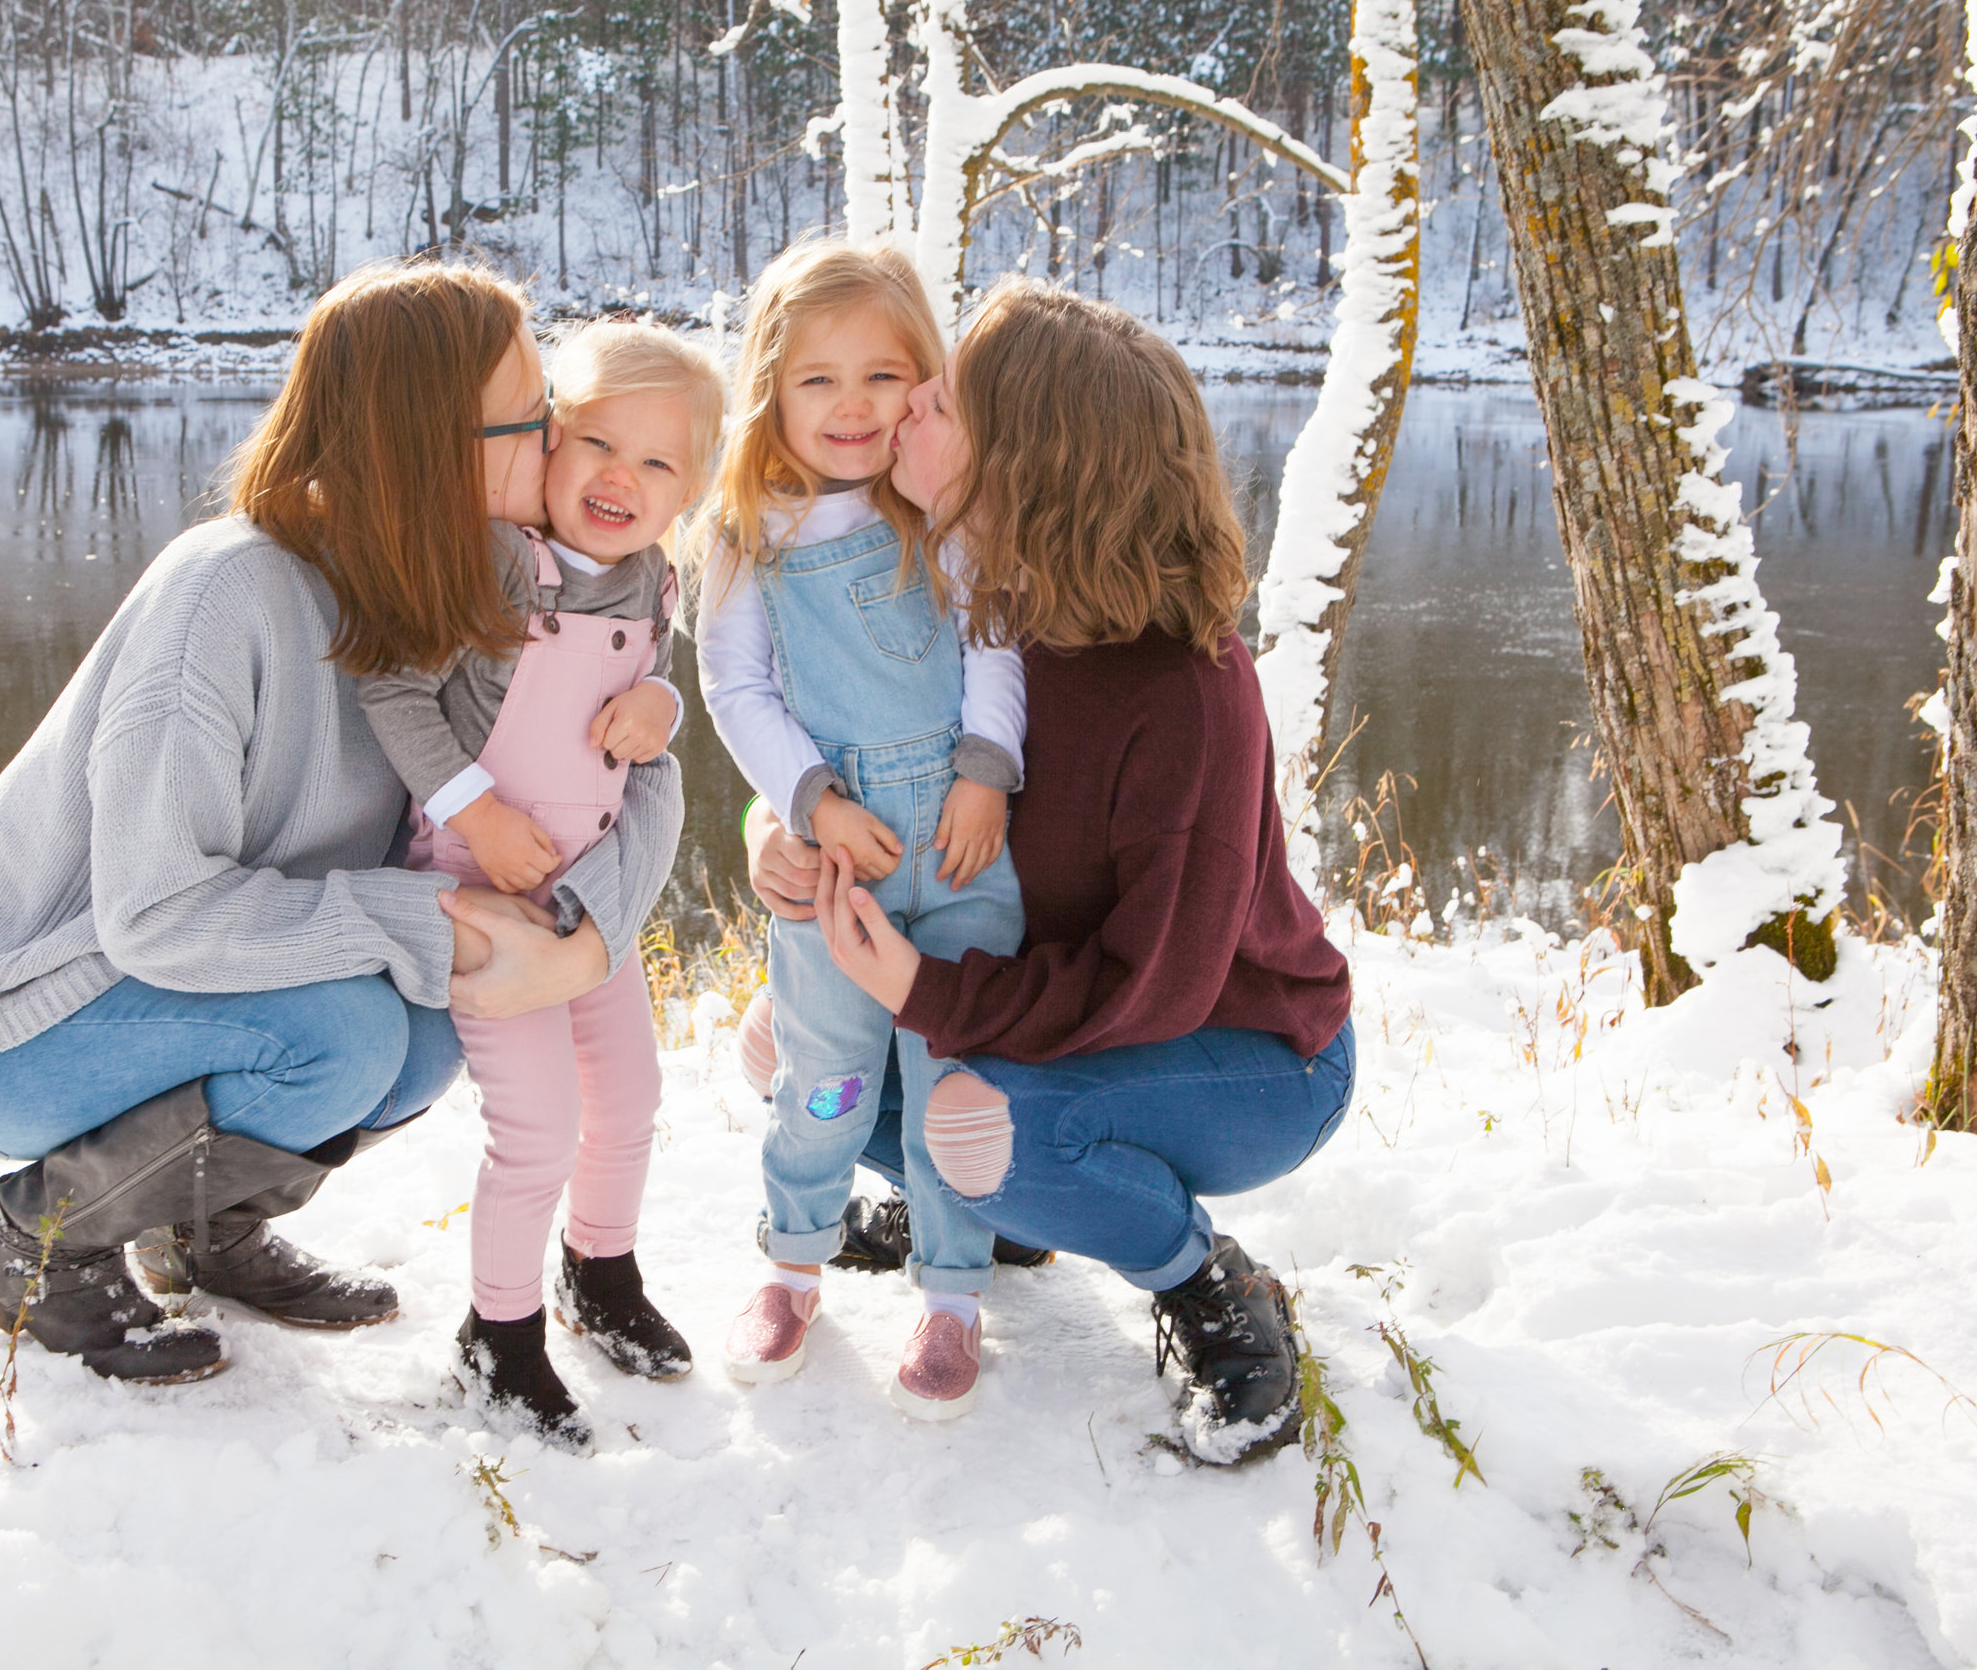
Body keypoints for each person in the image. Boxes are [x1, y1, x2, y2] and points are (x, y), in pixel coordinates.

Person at [0, 261, 680, 1386]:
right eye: (535, 416)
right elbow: (157, 913)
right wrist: (435, 915)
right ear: (434, 445)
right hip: (20, 1016)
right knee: (351, 1034)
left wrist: (589, 934)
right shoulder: (226, 599)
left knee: (426, 1028)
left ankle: (204, 1227)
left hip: (202, 977)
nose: (562, 439)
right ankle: (39, 1240)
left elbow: (644, 772)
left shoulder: (476, 590)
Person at [749, 278, 1356, 1463]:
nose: (905, 409)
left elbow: (1158, 988)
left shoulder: (1186, 693)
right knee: (799, 1058)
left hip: (1245, 1054)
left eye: (943, 402)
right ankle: (995, 1218)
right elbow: (840, 747)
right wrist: (784, 837)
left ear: (1032, 468)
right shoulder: (975, 601)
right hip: (1078, 1024)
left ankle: (1208, 1287)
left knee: (985, 1131)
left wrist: (928, 993)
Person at [356, 322, 724, 1447]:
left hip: (586, 895)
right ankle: (499, 1334)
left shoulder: (655, 580)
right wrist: (475, 808)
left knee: (628, 1098)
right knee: (538, 1127)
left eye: (659, 464)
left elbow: (646, 687)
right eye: (598, 442)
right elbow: (392, 691)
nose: (622, 477)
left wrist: (662, 705)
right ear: (548, 442)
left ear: (689, 495)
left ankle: (598, 1270)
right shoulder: (495, 559)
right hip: (479, 892)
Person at [695, 239, 1027, 1421]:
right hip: (837, 840)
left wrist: (987, 770)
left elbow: (995, 632)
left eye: (883, 376)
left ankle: (951, 1295)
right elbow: (736, 691)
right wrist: (812, 802)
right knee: (825, 1071)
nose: (851, 407)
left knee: (955, 1070)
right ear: (771, 391)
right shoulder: (750, 527)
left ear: (925, 383)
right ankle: (793, 1262)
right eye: (817, 380)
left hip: (961, 832)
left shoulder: (945, 505)